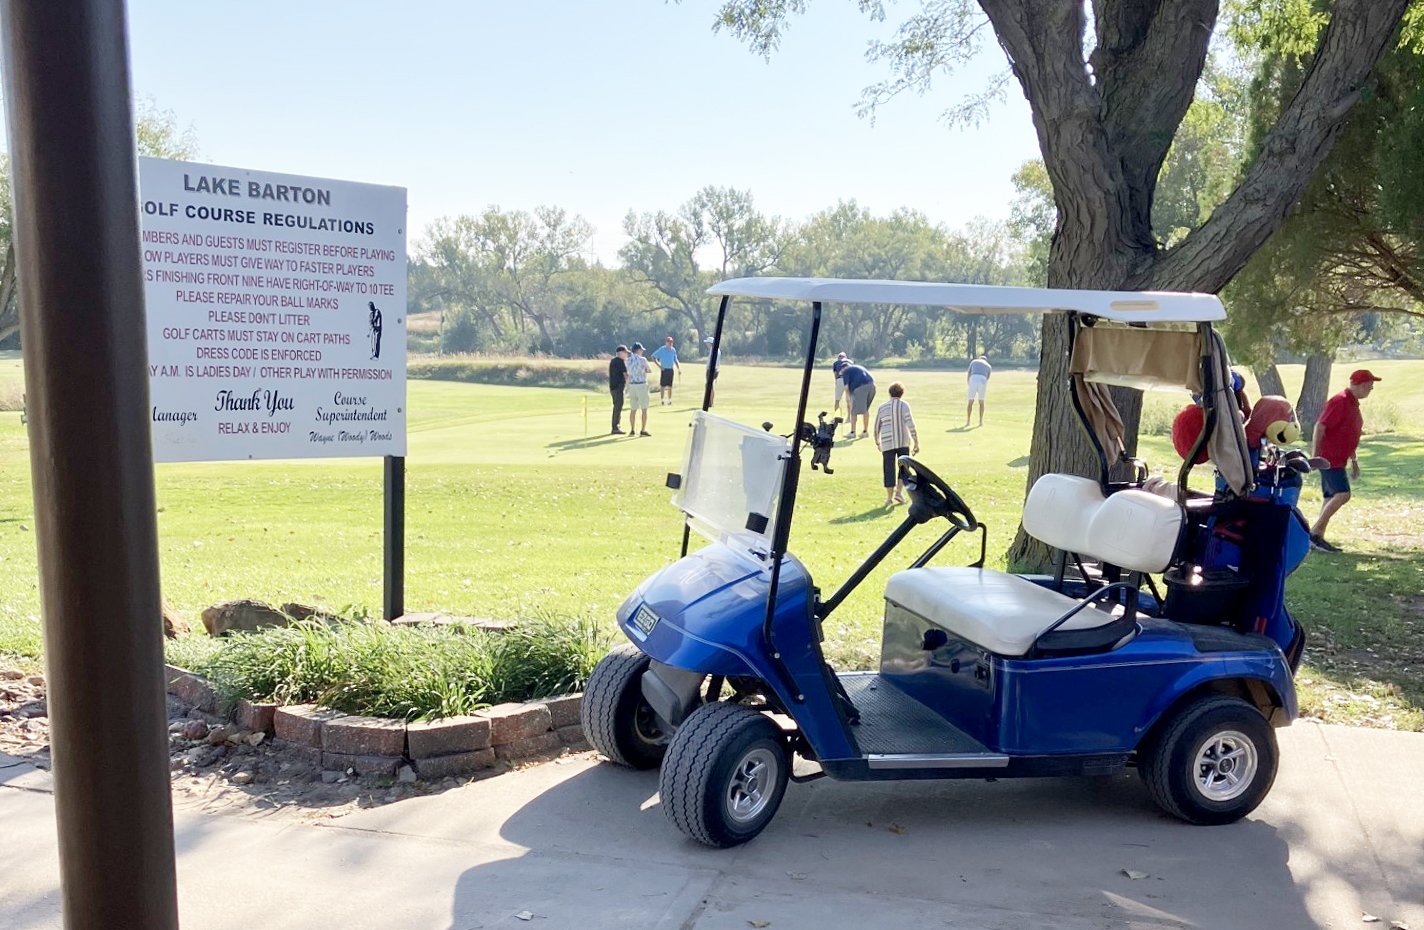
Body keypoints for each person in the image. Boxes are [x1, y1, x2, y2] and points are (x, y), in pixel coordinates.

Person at [1309, 368, 1381, 552]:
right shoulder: (1339, 401)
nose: (1371, 388)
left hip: (1339, 458)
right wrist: (1315, 456)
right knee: (1343, 495)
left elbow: (1348, 433)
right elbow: (1320, 426)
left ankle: (1317, 539)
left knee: (1330, 497)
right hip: (1329, 458)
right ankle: (1314, 534)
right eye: (1370, 385)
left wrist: (1354, 460)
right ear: (1361, 385)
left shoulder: (1352, 403)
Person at [874, 382, 920, 506]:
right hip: (903, 441)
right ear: (902, 393)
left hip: (887, 442)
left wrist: (877, 440)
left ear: (890, 393)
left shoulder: (882, 407)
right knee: (903, 468)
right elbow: (910, 424)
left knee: (888, 468)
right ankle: (898, 492)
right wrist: (916, 441)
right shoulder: (904, 405)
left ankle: (889, 498)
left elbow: (877, 426)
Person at [840, 361, 875, 438]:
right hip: (872, 386)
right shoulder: (858, 367)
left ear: (843, 368)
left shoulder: (846, 371)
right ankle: (865, 432)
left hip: (861, 388)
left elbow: (846, 387)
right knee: (865, 410)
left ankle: (853, 432)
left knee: (853, 411)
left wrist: (848, 399)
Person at [625, 342, 652, 436]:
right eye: (641, 350)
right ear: (638, 350)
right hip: (641, 385)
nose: (642, 352)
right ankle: (643, 430)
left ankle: (632, 430)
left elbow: (627, 372)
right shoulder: (643, 360)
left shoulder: (627, 360)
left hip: (632, 385)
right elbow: (649, 370)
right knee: (644, 409)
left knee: (633, 409)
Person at [650, 335, 681, 406]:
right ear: (666, 342)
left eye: (671, 342)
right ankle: (662, 400)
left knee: (670, 386)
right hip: (664, 370)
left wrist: (679, 368)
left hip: (670, 370)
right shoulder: (662, 349)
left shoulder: (673, 350)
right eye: (669, 342)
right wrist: (659, 366)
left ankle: (670, 400)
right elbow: (653, 357)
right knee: (662, 386)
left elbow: (675, 360)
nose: (670, 343)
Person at [607, 345, 629, 435]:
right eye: (625, 353)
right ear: (620, 353)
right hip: (618, 388)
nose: (626, 355)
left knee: (617, 406)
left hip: (613, 387)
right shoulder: (620, 361)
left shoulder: (613, 361)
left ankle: (616, 426)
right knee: (618, 407)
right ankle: (615, 427)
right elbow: (625, 374)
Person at [965, 354, 991, 427]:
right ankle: (980, 422)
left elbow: (969, 373)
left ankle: (968, 421)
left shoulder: (974, 361)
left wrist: (968, 382)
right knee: (981, 401)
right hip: (983, 379)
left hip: (973, 378)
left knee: (970, 401)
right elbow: (987, 377)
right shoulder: (988, 366)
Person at [702, 336, 720, 406]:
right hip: (716, 369)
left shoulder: (713, 350)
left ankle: (710, 402)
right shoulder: (717, 350)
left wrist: (707, 368)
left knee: (709, 385)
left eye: (707, 343)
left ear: (710, 343)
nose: (706, 345)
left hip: (711, 370)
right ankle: (710, 401)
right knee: (710, 385)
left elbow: (710, 361)